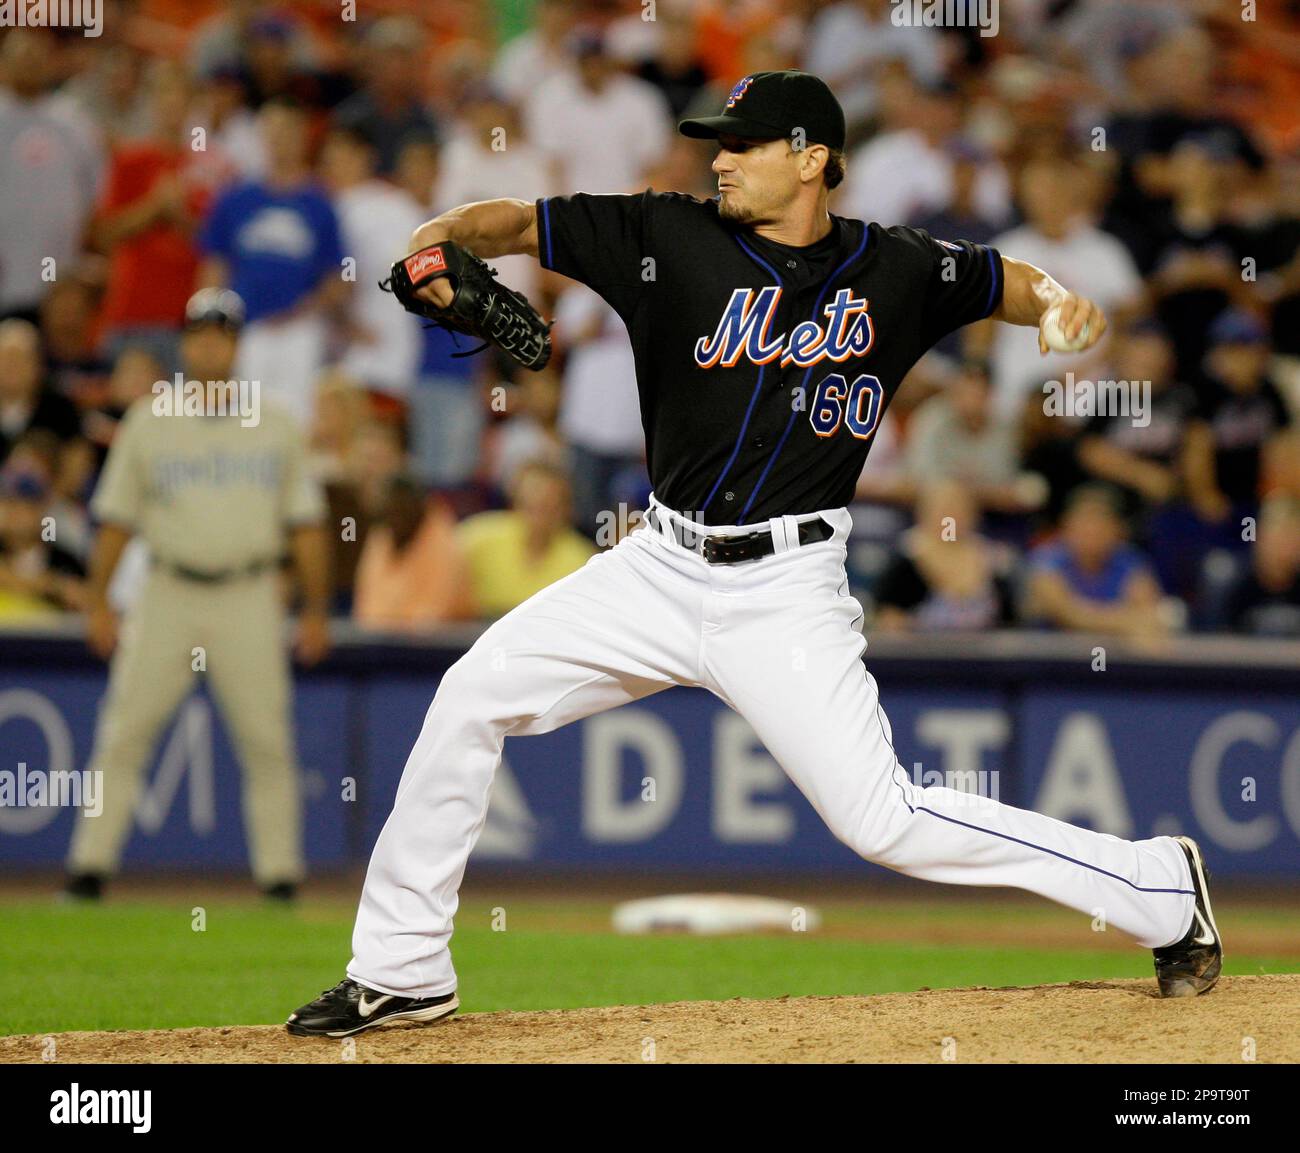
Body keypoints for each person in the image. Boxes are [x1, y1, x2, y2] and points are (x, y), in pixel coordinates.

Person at [287, 70, 1220, 1039]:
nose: (720, 158)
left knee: (882, 821)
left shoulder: (895, 267)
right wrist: (430, 245)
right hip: (657, 564)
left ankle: (1155, 884)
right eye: (716, 143)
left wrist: (1060, 304)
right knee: (471, 695)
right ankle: (400, 969)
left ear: (812, 158)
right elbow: (508, 223)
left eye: (744, 143)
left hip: (787, 587)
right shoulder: (663, 233)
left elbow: (1005, 282)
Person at [63, 288, 331, 903]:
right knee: (125, 732)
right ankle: (88, 871)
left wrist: (315, 611)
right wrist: (99, 601)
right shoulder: (149, 420)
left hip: (249, 589)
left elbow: (308, 525)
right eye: (200, 333)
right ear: (185, 343)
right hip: (168, 589)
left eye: (222, 333)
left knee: (266, 739)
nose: (210, 344)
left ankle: (280, 878)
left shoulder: (275, 421)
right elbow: (116, 521)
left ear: (237, 344)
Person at [457, 459, 597, 619]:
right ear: (515, 501)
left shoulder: (582, 560)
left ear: (566, 509)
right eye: (531, 504)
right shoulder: (477, 537)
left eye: (548, 506)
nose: (538, 515)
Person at [1024, 484, 1167, 639]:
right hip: (1051, 656)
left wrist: (1137, 622)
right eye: (1084, 524)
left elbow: (1148, 611)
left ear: (1116, 530)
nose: (1091, 533)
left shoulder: (1129, 561)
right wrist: (1126, 621)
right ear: (1067, 527)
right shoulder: (1047, 559)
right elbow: (1068, 614)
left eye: (1099, 524)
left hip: (1109, 658)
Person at [353, 475, 475, 632]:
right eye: (390, 512)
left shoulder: (445, 542)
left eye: (401, 510)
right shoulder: (382, 534)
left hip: (438, 648)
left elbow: (433, 617)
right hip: (381, 643)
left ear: (419, 507)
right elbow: (366, 608)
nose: (395, 518)